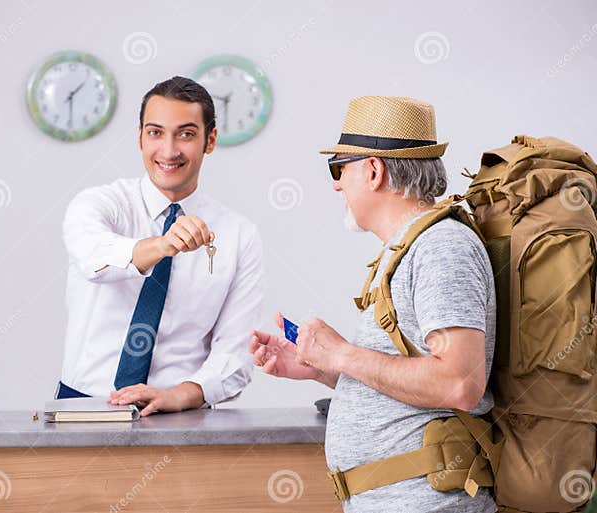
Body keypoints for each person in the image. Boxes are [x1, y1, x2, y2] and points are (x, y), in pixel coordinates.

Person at [250, 96, 497, 512]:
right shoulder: (408, 249)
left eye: (339, 169)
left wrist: (344, 355)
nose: (335, 184)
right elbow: (411, 381)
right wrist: (326, 370)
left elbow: (459, 383)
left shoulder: (441, 247)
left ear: (374, 170)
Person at [58, 76, 264, 416]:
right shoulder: (98, 204)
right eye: (155, 133)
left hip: (181, 412)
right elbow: (92, 259)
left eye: (186, 134)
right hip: (82, 405)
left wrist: (181, 396)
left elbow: (235, 351)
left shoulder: (239, 234)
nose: (169, 151)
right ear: (140, 137)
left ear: (210, 140)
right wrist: (162, 246)